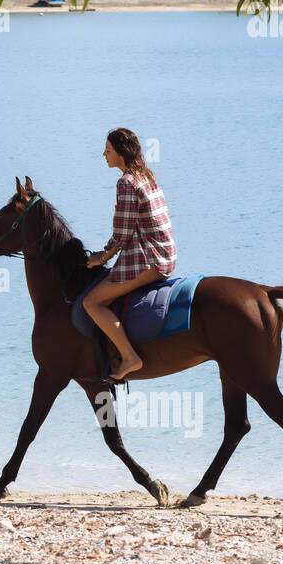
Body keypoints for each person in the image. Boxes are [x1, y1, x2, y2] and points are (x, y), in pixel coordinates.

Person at [83, 128, 176, 381]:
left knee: (91, 302)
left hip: (147, 260)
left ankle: (129, 356)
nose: (103, 154)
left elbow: (122, 235)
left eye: (108, 150)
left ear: (121, 153)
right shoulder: (146, 175)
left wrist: (100, 258)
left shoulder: (126, 182)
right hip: (165, 254)